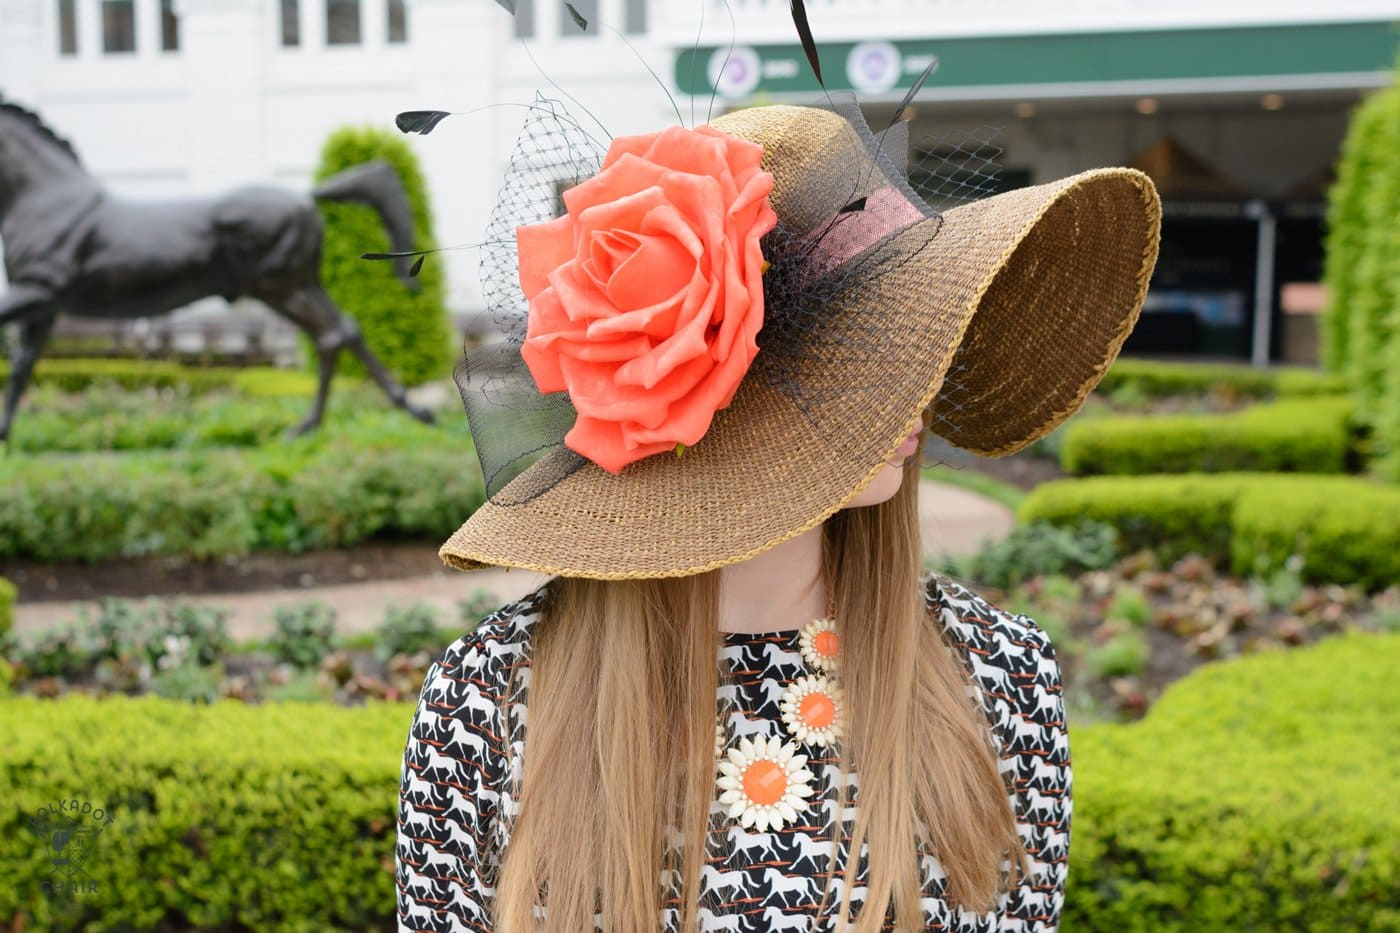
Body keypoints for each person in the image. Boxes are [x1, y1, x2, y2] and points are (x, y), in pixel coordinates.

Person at [395, 98, 1160, 932]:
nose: (919, 380)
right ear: (721, 390)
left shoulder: (996, 677)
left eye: (913, 338)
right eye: (866, 346)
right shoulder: (487, 706)